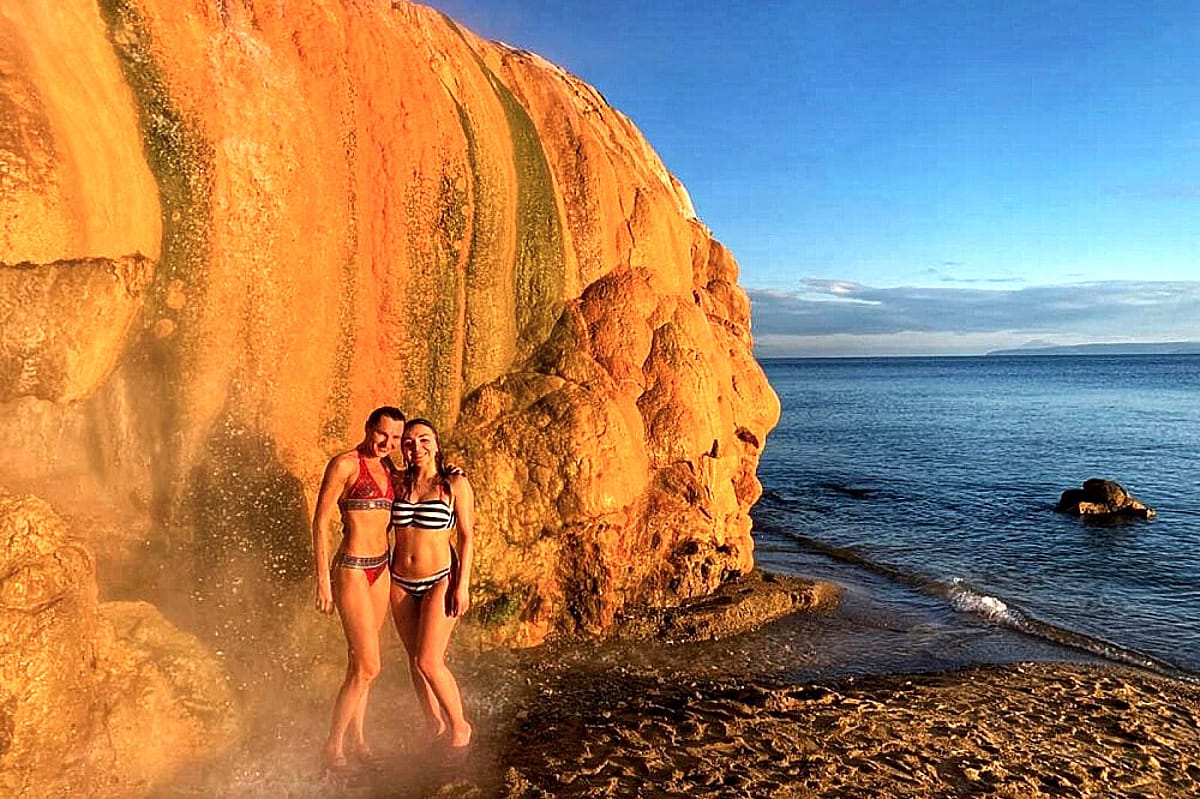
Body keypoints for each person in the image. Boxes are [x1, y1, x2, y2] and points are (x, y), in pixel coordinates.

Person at [311, 406, 405, 770]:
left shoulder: (390, 469)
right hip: (351, 568)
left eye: (395, 438)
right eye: (382, 434)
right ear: (368, 427)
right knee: (369, 666)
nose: (388, 442)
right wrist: (323, 580)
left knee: (358, 663)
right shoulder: (345, 465)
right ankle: (332, 747)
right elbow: (319, 523)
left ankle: (358, 740)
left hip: (380, 569)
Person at [389, 417, 475, 751]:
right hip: (400, 581)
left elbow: (467, 537)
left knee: (429, 660)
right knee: (413, 660)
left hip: (440, 579)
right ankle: (433, 724)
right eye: (409, 442)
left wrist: (462, 584)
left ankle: (460, 726)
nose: (416, 447)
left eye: (424, 440)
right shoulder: (397, 482)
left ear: (436, 444)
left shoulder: (453, 484)